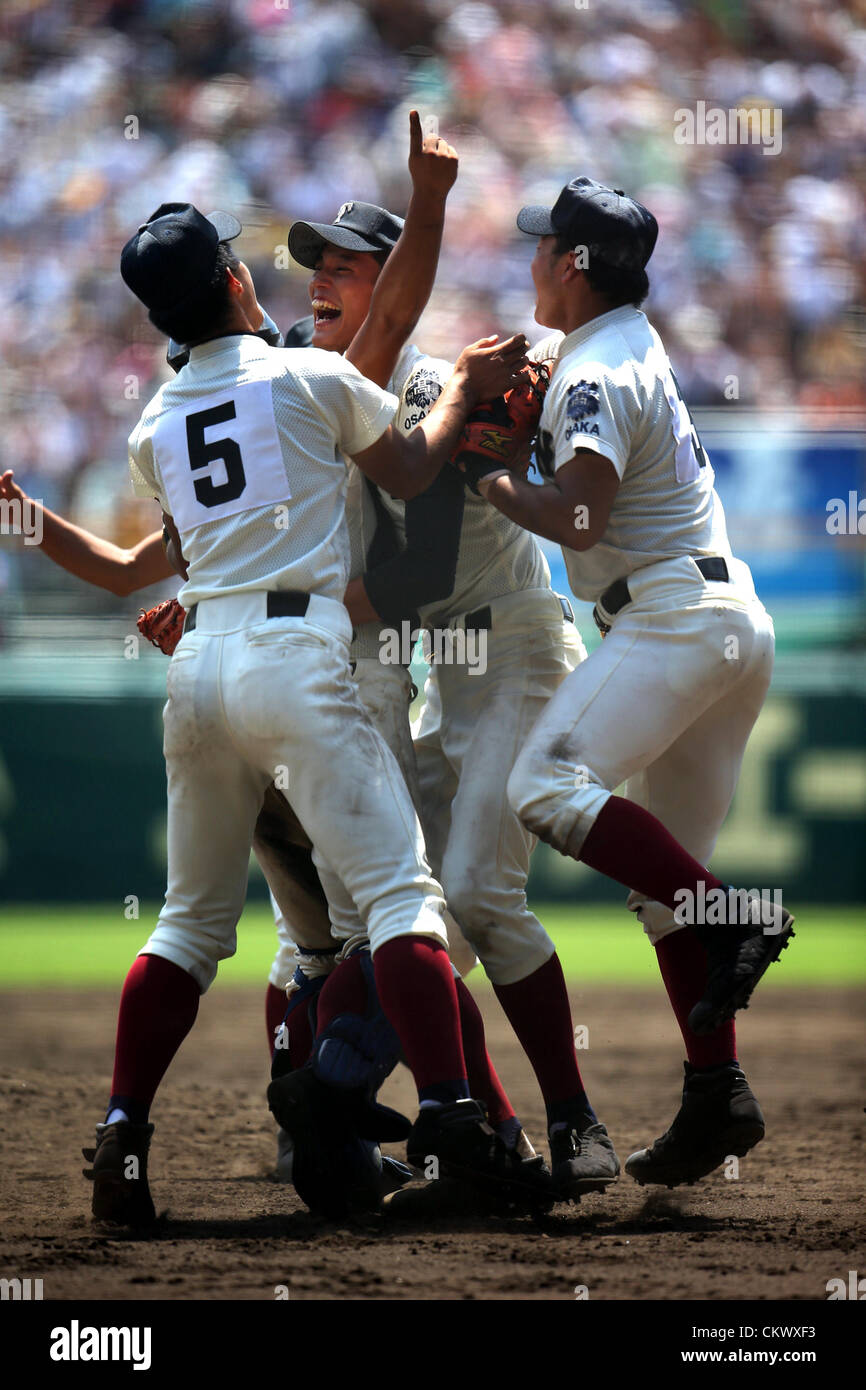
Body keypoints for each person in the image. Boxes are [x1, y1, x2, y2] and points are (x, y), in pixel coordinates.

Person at [84, 192, 532, 1226]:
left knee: (188, 926)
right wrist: (461, 385)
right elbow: (415, 466)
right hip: (299, 659)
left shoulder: (156, 428)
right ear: (238, 283)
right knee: (399, 901)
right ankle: (455, 1114)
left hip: (199, 668)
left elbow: (183, 552)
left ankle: (120, 1136)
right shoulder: (308, 375)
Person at [470, 176, 794, 1187]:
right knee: (663, 901)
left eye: (541, 246)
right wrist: (528, 451)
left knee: (543, 788)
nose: (529, 259)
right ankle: (714, 1097)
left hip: (669, 618)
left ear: (573, 264)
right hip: (725, 620)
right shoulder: (625, 347)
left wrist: (490, 476)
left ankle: (731, 911)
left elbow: (578, 520)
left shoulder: (592, 369)